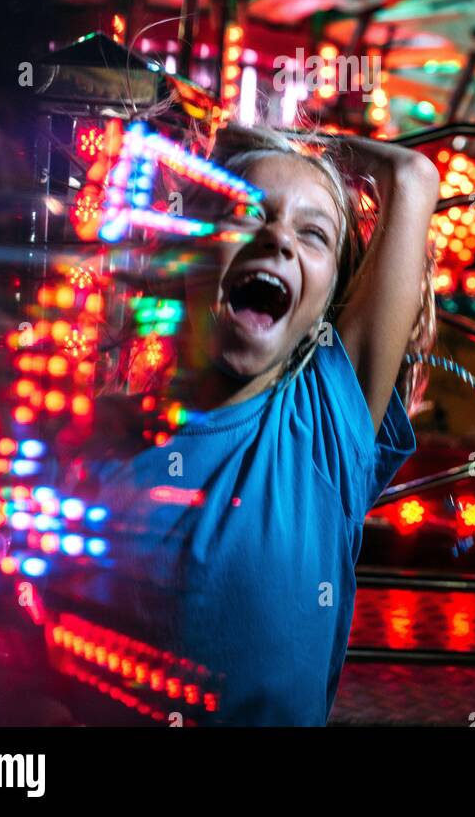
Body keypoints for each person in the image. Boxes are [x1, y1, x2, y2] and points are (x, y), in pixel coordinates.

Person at [63, 123, 440, 726]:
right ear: (188, 255)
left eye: (311, 233)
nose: (278, 240)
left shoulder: (324, 428)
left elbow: (412, 177)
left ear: (326, 309)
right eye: (246, 213)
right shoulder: (101, 437)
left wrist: (301, 141)